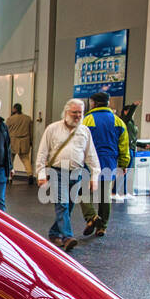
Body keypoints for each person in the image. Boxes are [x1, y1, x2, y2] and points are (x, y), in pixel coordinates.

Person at [35, 98, 100, 252]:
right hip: (58, 172)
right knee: (62, 205)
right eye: (74, 112)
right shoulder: (52, 129)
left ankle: (54, 233)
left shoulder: (85, 131)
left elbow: (91, 155)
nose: (77, 115)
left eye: (80, 112)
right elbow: (42, 152)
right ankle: (67, 237)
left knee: (68, 207)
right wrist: (41, 174)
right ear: (66, 112)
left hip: (76, 174)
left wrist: (94, 176)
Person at [80, 92, 130, 237]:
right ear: (108, 103)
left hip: (90, 162)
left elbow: (80, 142)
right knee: (105, 196)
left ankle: (91, 216)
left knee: (83, 191)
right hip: (109, 161)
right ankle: (102, 227)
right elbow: (123, 145)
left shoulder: (87, 120)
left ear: (93, 103)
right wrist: (123, 163)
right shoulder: (118, 121)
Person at [6, 103, 33, 182]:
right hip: (25, 141)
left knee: (10, 160)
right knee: (26, 159)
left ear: (14, 109)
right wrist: (30, 141)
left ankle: (9, 177)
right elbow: (31, 131)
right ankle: (30, 175)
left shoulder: (10, 119)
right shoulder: (28, 118)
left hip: (13, 141)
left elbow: (6, 131)